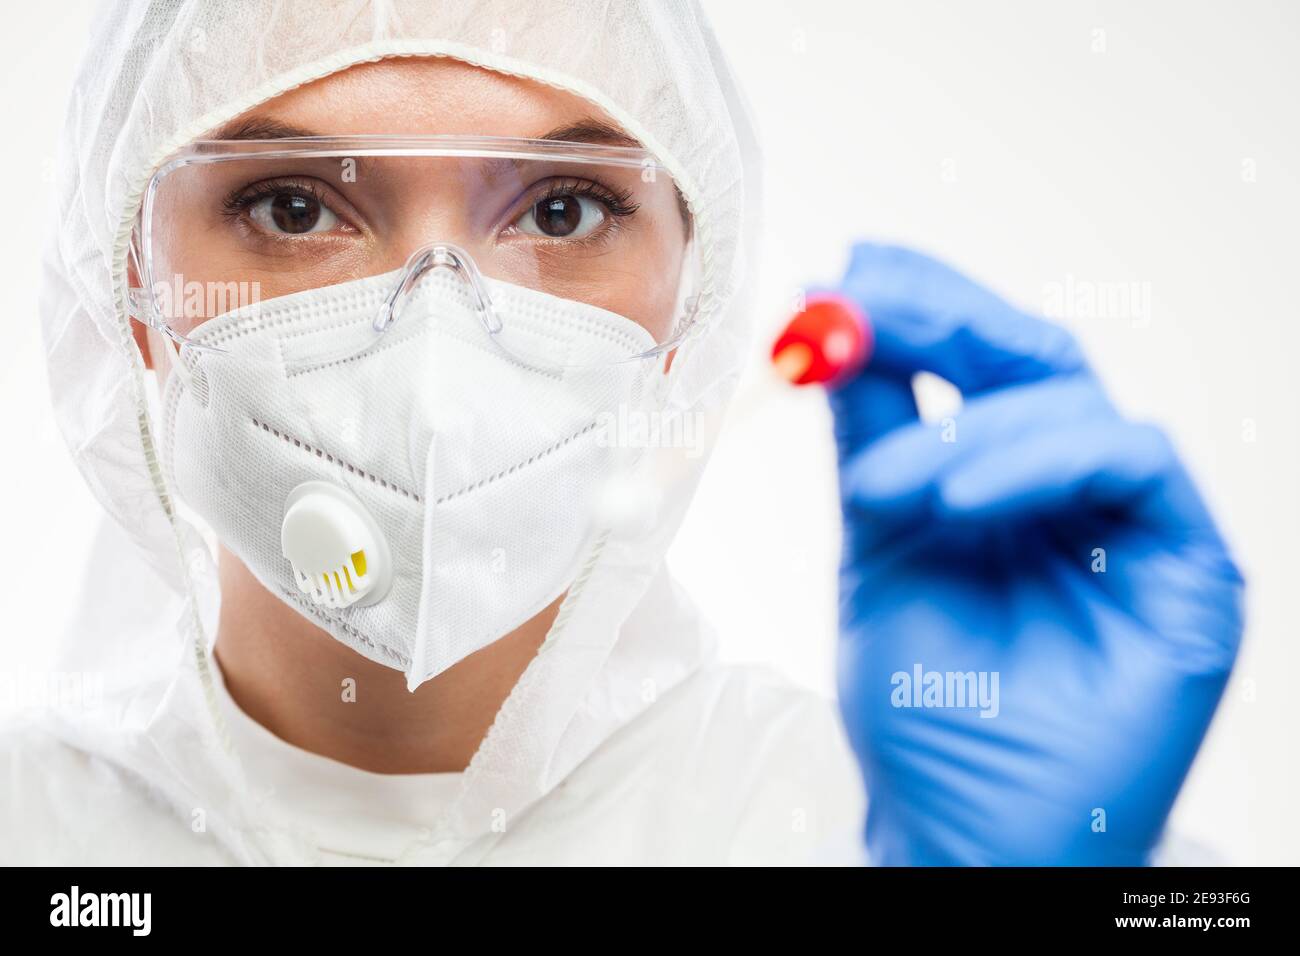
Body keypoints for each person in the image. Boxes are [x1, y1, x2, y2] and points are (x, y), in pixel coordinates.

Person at [2, 0, 1241, 866]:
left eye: (561, 207)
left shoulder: (858, 825)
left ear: (690, 304)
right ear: (131, 289)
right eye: (293, 205)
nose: (436, 362)